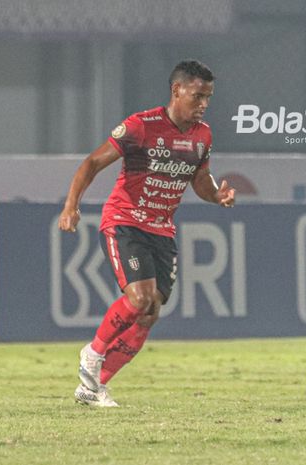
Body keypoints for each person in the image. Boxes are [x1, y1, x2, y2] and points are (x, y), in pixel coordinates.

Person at [58, 59, 236, 407]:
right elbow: (92, 162)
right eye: (198, 96)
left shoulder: (202, 135)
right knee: (140, 297)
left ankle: (94, 387)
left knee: (150, 310)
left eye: (208, 98)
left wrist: (216, 194)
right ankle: (93, 354)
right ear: (176, 90)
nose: (203, 104)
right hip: (125, 221)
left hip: (161, 230)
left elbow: (199, 178)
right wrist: (71, 206)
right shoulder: (142, 125)